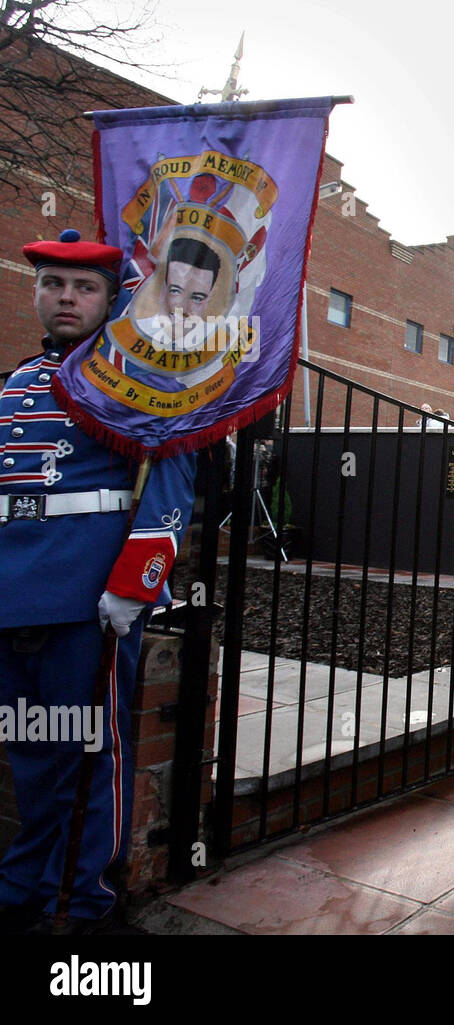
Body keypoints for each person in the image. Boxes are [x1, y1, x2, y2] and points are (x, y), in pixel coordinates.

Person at [0, 229, 197, 933]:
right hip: (11, 598)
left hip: (87, 601)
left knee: (90, 754)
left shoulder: (129, 378)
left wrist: (134, 584)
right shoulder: (17, 381)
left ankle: (87, 902)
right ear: (36, 293)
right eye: (53, 284)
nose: (66, 297)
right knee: (31, 751)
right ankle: (24, 888)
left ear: (110, 299)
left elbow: (172, 481)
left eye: (83, 288)